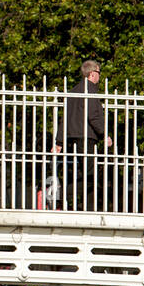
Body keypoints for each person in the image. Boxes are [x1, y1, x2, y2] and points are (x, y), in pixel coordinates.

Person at [57, 59, 112, 209]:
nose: (99, 77)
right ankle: (63, 196)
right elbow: (93, 116)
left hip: (72, 138)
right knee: (90, 175)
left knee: (81, 173)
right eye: (99, 73)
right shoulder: (90, 91)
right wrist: (104, 134)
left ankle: (81, 203)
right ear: (93, 73)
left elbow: (65, 118)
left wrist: (59, 141)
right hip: (87, 138)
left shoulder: (73, 91)